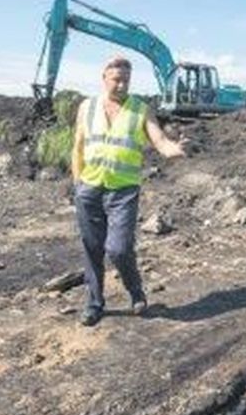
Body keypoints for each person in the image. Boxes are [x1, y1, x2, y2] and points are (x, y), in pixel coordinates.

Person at [71, 56, 188, 326]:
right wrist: (78, 184)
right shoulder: (86, 107)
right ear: (104, 78)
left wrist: (175, 149)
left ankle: (135, 289)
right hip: (89, 188)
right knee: (92, 247)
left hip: (123, 191)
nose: (122, 85)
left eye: (126, 80)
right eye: (117, 80)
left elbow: (159, 140)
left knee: (119, 248)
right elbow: (77, 147)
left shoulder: (140, 109)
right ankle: (95, 304)